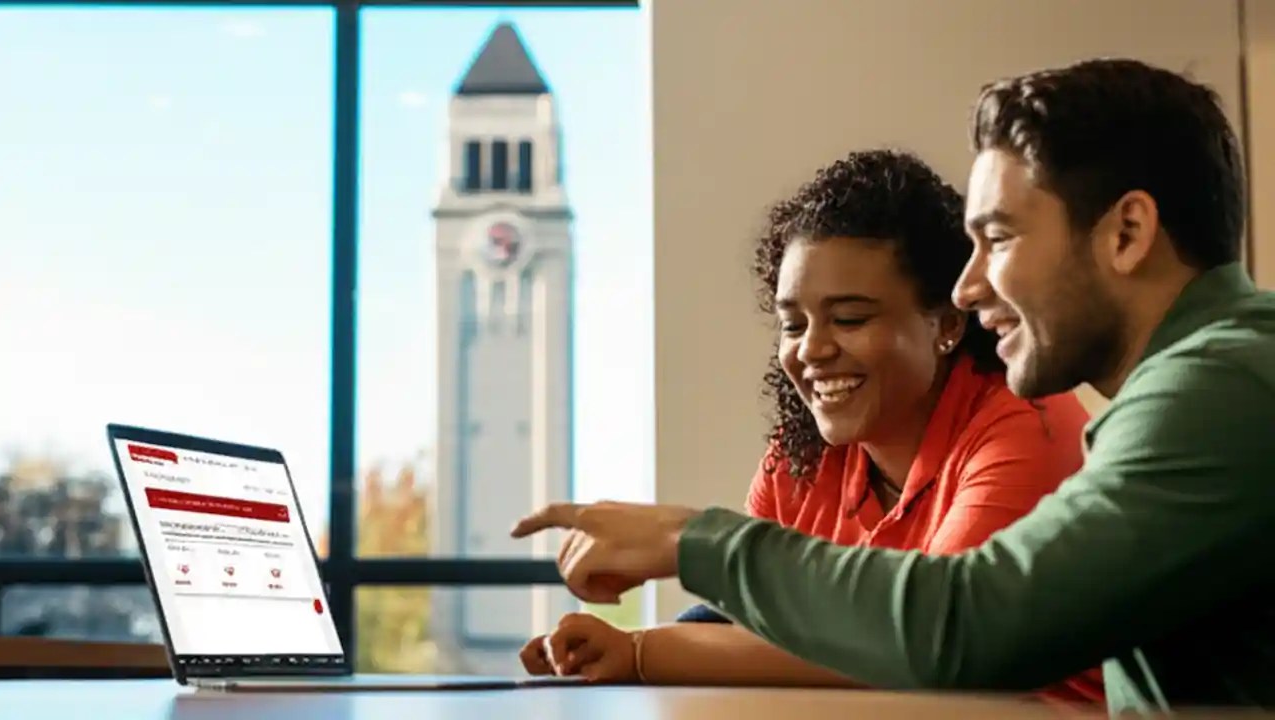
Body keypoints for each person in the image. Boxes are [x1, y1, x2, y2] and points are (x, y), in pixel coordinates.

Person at [511, 57, 1275, 716]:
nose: (970, 288)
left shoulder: (1219, 389)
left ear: (1127, 234)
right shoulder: (1201, 385)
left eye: (999, 239)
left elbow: (965, 625)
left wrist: (687, 540)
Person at [518, 150, 1102, 705]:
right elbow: (748, 625)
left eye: (850, 318)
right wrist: (621, 649)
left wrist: (647, 650)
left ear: (946, 325)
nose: (813, 350)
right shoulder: (801, 453)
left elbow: (928, 645)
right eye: (793, 325)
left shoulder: (1028, 425)